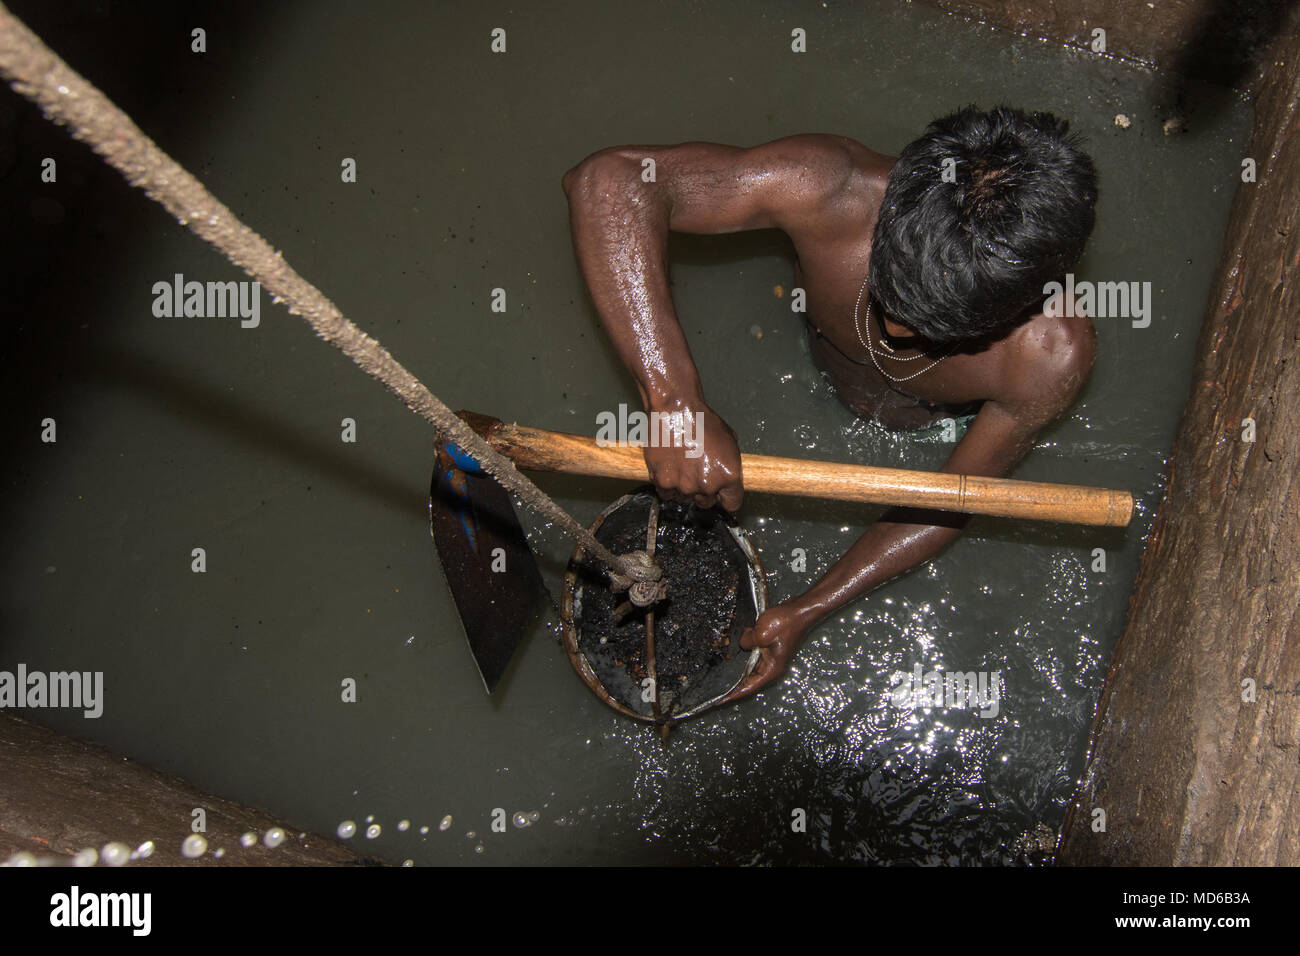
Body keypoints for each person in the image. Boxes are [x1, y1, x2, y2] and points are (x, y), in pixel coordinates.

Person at [562, 106, 1098, 702]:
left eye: (936, 324)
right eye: (891, 285)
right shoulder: (826, 186)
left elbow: (948, 503)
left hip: (924, 426)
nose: (894, 327)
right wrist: (674, 401)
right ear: (894, 200)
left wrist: (811, 608)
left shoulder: (1049, 358)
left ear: (1025, 301)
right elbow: (611, 182)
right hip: (814, 360)